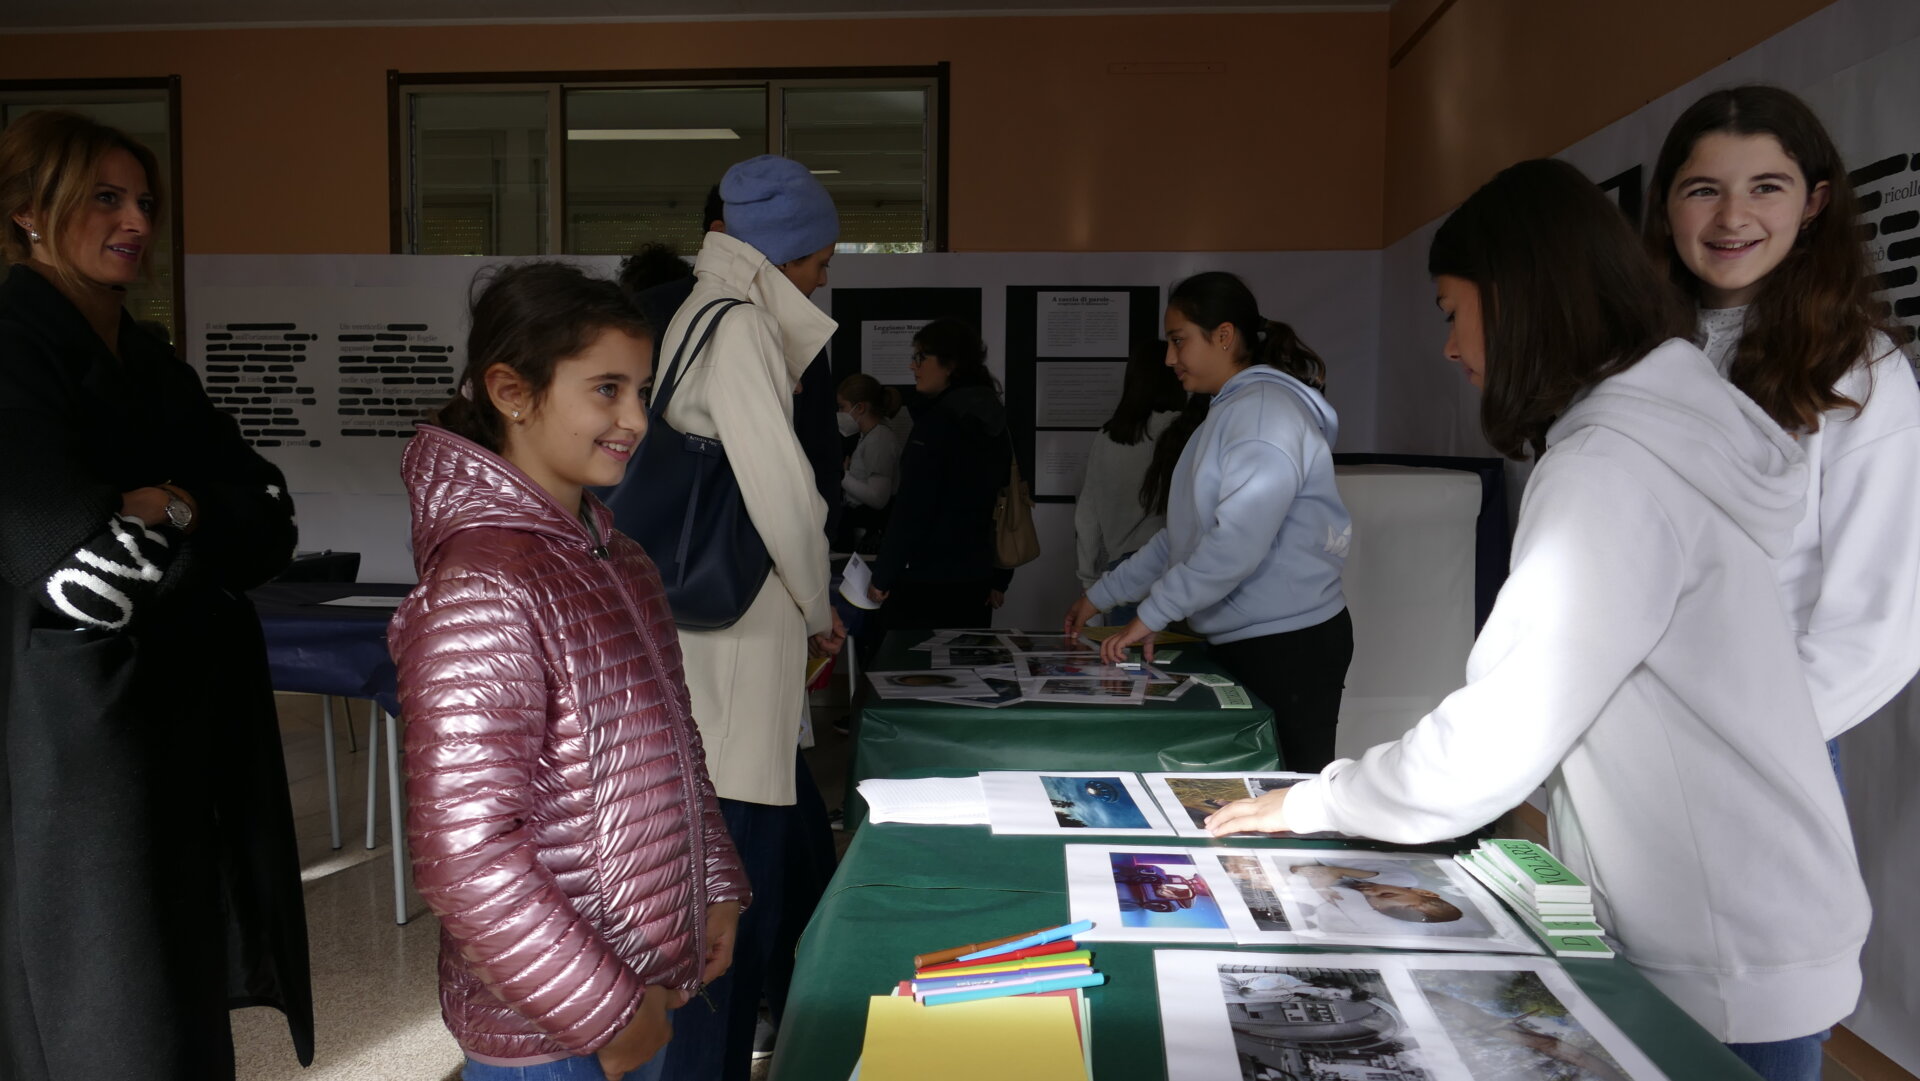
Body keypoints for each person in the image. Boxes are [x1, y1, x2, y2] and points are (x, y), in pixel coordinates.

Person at [1206, 159, 1869, 1081]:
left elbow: (1502, 729)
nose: (1449, 346)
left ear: (1518, 300)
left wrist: (1320, 800)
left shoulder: (1610, 469)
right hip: (1753, 915)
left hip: (1725, 943)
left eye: (1452, 310)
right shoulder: (1655, 439)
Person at [0, 109, 313, 1080]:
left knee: (181, 1017)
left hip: (176, 743)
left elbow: (271, 517)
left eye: (143, 199)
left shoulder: (148, 359)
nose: (135, 219)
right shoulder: (15, 352)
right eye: (104, 196)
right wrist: (199, 514)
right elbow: (86, 579)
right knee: (109, 1022)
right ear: (26, 211)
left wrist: (166, 506)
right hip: (79, 757)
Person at [391, 262, 749, 1081]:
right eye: (606, 389)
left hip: (641, 989)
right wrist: (608, 1013)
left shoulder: (617, 556)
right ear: (513, 391)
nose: (634, 419)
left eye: (642, 390)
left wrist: (717, 883)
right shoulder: (483, 585)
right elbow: (465, 854)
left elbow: (677, 748)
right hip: (554, 1035)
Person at [623, 154, 847, 1081]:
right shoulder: (745, 325)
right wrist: (822, 606)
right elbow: (784, 494)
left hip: (696, 643)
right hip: (740, 646)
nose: (826, 275)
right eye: (822, 257)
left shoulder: (685, 311)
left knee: (706, 882)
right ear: (789, 252)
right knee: (728, 899)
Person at [1644, 86, 1920, 751]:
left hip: (1762, 745)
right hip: (1623, 732)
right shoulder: (1631, 355)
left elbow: (1879, 624)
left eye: (1767, 186)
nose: (1732, 217)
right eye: (1704, 190)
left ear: (1814, 202)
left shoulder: (1858, 366)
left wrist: (1751, 742)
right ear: (1668, 205)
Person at [1064, 272, 1354, 773]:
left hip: (1289, 644)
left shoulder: (1263, 414)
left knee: (1286, 793)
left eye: (1179, 342)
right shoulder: (1227, 413)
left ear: (1223, 335)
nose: (1170, 359)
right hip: (1253, 639)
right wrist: (1103, 594)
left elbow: (1234, 547)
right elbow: (1182, 540)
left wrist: (1153, 613)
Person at [868, 317, 1016, 629]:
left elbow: (912, 508)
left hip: (927, 578)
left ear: (950, 364)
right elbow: (1006, 498)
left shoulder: (938, 423)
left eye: (920, 357)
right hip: (977, 574)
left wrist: (883, 574)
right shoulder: (992, 416)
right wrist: (1000, 577)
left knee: (913, 670)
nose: (913, 366)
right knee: (966, 671)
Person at [1074, 338, 1187, 627]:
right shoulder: (1185, 429)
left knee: (1125, 668)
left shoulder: (1107, 436)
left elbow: (1087, 516)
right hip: (1175, 571)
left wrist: (1090, 583)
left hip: (1119, 576)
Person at [834, 372, 903, 551]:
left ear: (860, 408)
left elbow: (878, 498)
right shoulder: (869, 436)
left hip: (870, 530)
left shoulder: (880, 439)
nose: (840, 413)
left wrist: (843, 476)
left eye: (842, 407)